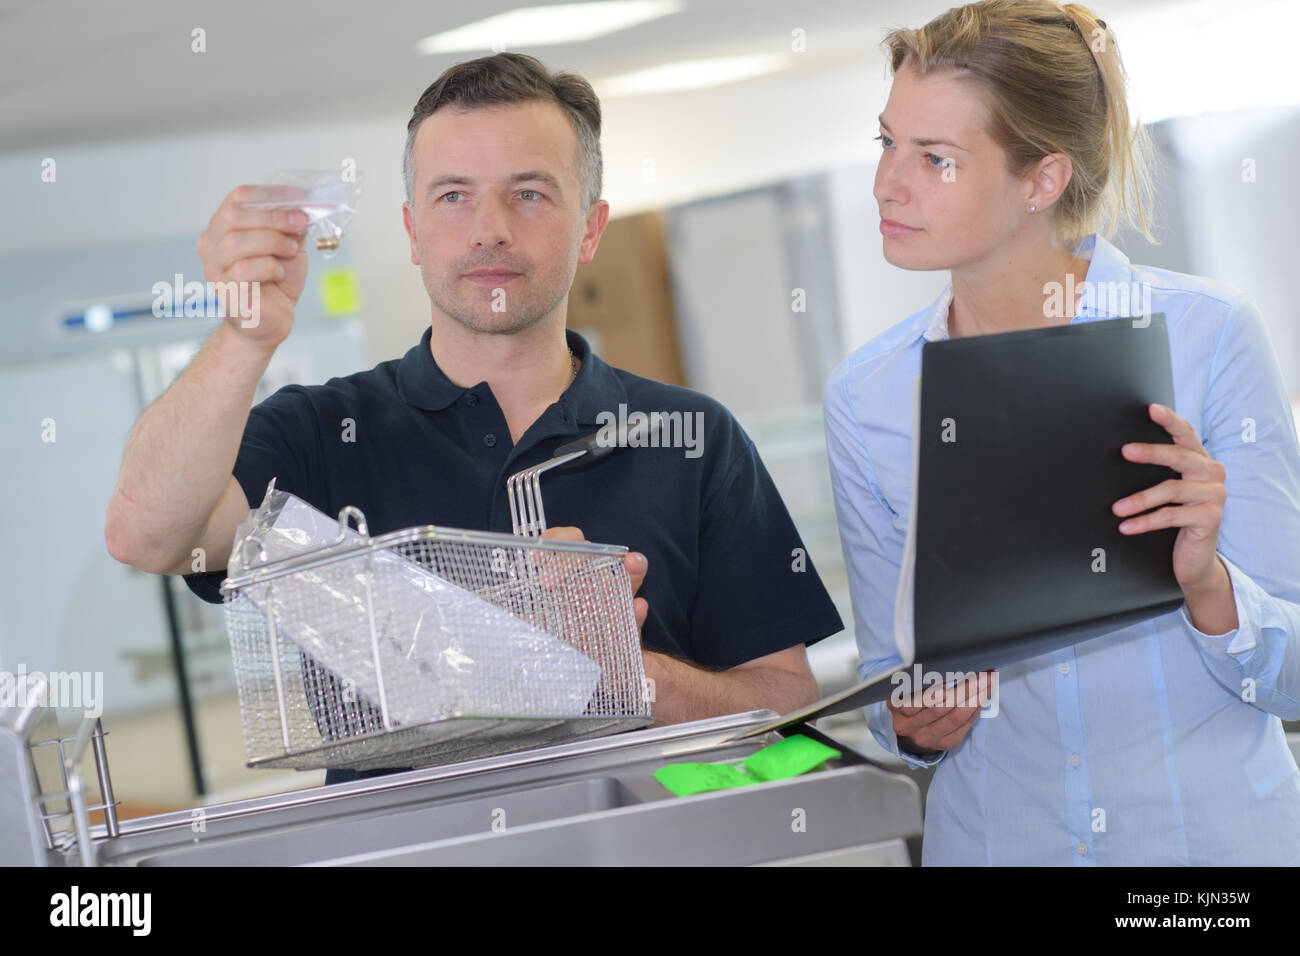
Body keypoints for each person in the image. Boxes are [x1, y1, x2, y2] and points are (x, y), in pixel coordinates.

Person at [105, 52, 842, 785]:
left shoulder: (693, 438)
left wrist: (623, 673)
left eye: (529, 194)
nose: (489, 229)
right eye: (453, 196)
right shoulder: (318, 433)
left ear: (590, 230)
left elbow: (787, 711)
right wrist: (245, 335)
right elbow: (148, 534)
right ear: (413, 230)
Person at [824, 0, 1300, 865]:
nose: (887, 184)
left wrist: (1211, 583)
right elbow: (888, 690)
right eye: (886, 142)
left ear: (1041, 180)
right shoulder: (868, 397)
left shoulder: (1208, 335)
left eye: (934, 159)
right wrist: (916, 723)